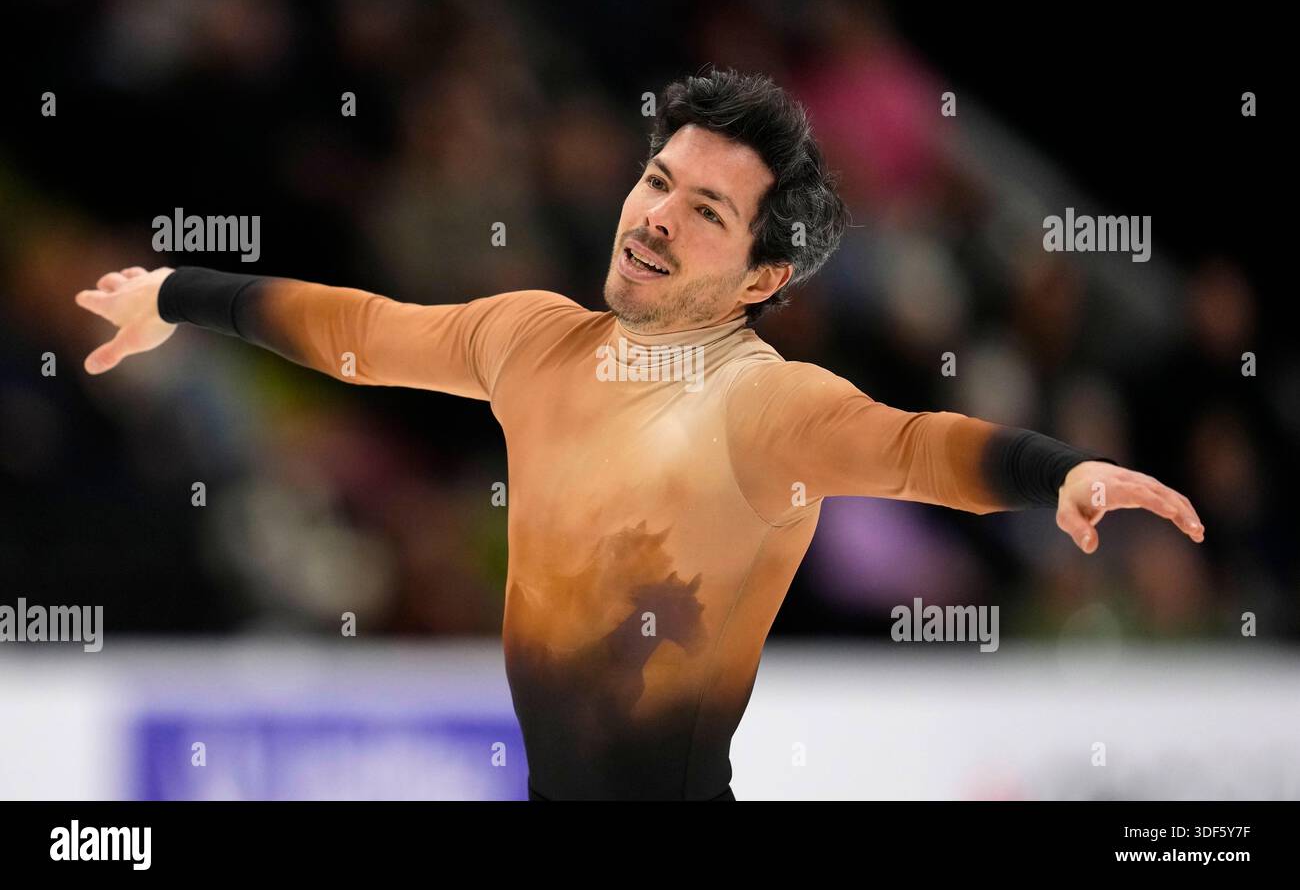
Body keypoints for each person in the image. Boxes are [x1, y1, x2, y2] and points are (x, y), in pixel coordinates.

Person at [74, 68, 1204, 800]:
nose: (655, 214)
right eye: (657, 181)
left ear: (762, 274)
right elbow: (359, 331)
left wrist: (1054, 471)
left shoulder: (761, 407)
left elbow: (912, 444)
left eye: (704, 211)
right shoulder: (529, 340)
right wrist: (177, 291)